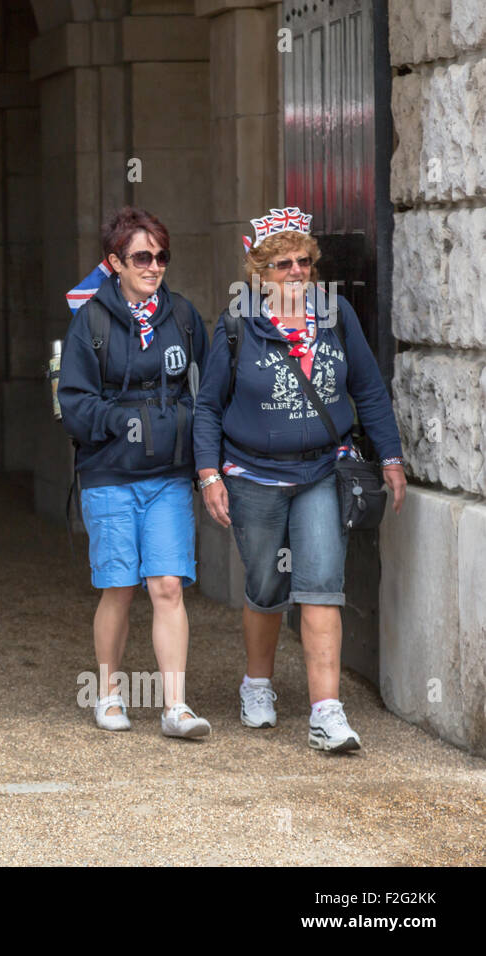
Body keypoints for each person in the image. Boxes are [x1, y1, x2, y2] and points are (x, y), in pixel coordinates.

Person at [193, 206, 406, 752]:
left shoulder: (337, 318)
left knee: (321, 586)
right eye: (283, 263)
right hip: (253, 475)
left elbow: (369, 388)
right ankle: (257, 684)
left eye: (304, 261)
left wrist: (390, 456)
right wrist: (208, 473)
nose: (296, 271)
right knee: (266, 584)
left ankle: (326, 712)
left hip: (321, 469)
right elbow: (209, 407)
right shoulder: (238, 324)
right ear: (260, 273)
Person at [59, 207, 212, 739]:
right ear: (114, 263)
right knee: (119, 586)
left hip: (169, 473)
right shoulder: (90, 323)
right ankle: (108, 694)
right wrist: (127, 422)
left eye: (161, 256)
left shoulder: (186, 317)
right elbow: (73, 405)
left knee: (168, 584)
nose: (154, 266)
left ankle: (175, 707)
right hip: (108, 474)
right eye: (142, 257)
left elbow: (210, 394)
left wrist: (205, 456)